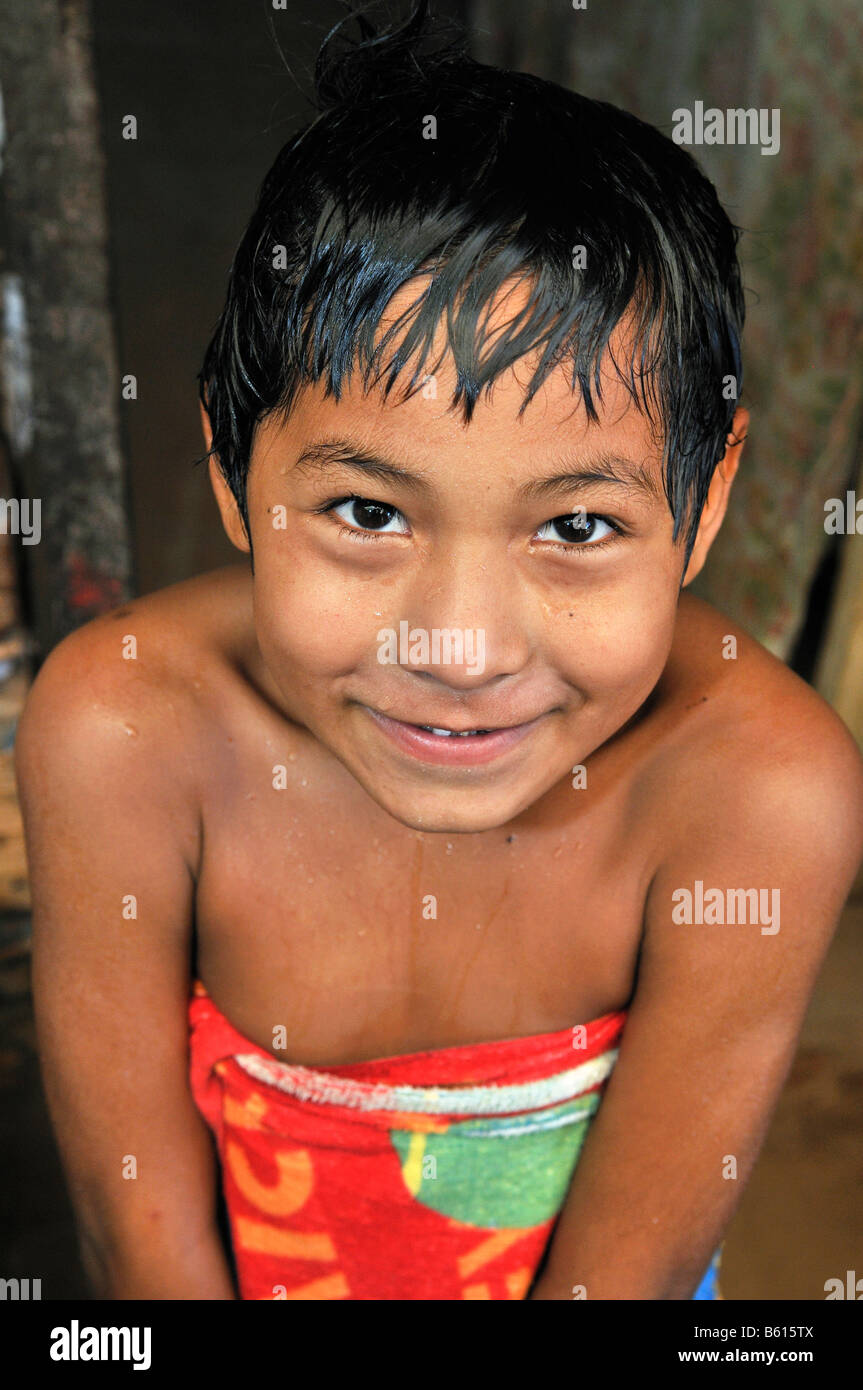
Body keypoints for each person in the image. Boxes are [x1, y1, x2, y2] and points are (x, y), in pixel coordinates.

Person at [15, 1, 863, 1301]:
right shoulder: (121, 731)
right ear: (234, 472)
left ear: (706, 502)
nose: (461, 646)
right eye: (366, 512)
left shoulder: (757, 794)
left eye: (577, 524)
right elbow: (141, 1255)